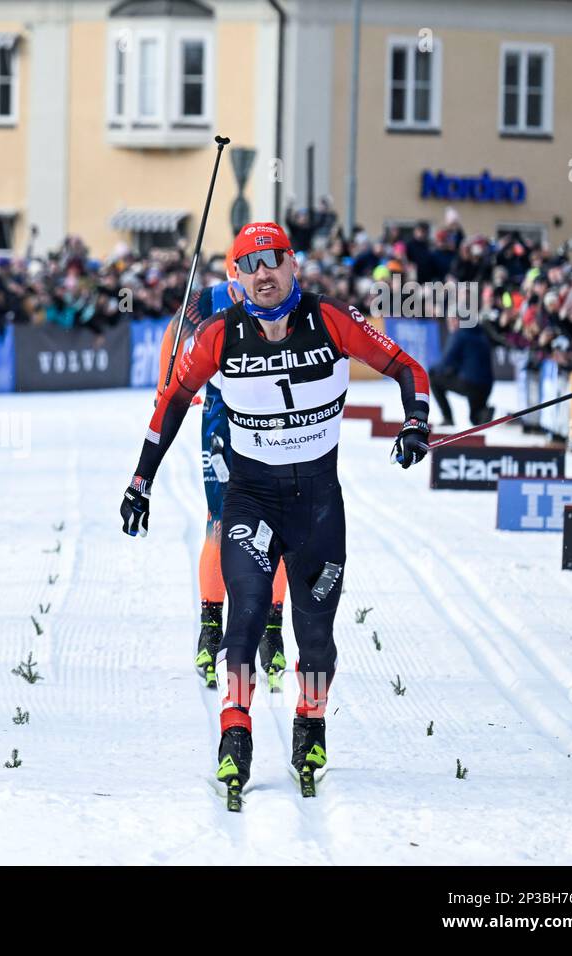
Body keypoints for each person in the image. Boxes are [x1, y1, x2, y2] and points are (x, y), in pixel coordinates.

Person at [120, 221, 431, 808]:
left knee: (316, 641)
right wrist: (142, 480)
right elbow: (173, 399)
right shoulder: (219, 334)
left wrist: (415, 422)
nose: (263, 273)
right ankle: (235, 734)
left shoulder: (331, 319)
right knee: (245, 619)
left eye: (273, 260)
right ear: (236, 276)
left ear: (293, 265)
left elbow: (407, 369)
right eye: (249, 264)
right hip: (251, 499)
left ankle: (309, 726)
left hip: (318, 508)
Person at [157, 269, 289, 693]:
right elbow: (174, 333)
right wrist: (167, 386)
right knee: (220, 522)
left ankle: (271, 630)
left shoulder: (287, 296)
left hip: (274, 418)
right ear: (233, 275)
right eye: (244, 274)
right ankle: (211, 629)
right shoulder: (207, 301)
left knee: (276, 527)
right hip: (222, 419)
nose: (255, 282)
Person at [429, 316, 494, 427]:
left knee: (433, 377)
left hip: (470, 383)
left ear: (457, 321)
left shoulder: (460, 334)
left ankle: (448, 418)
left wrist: (432, 370)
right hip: (486, 385)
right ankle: (484, 412)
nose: (449, 325)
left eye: (450, 321)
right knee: (475, 419)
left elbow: (446, 362)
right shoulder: (481, 333)